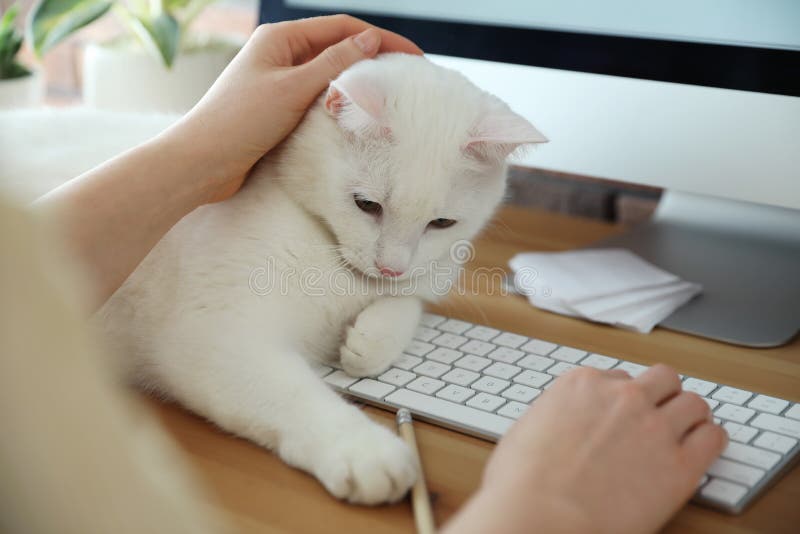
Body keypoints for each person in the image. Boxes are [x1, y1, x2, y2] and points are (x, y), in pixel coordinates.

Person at [1, 15, 726, 533]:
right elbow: (208, 343)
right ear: (334, 116)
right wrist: (335, 440)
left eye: (441, 225)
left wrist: (396, 304)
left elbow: (393, 272)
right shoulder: (267, 211)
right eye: (368, 205)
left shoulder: (396, 234)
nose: (392, 259)